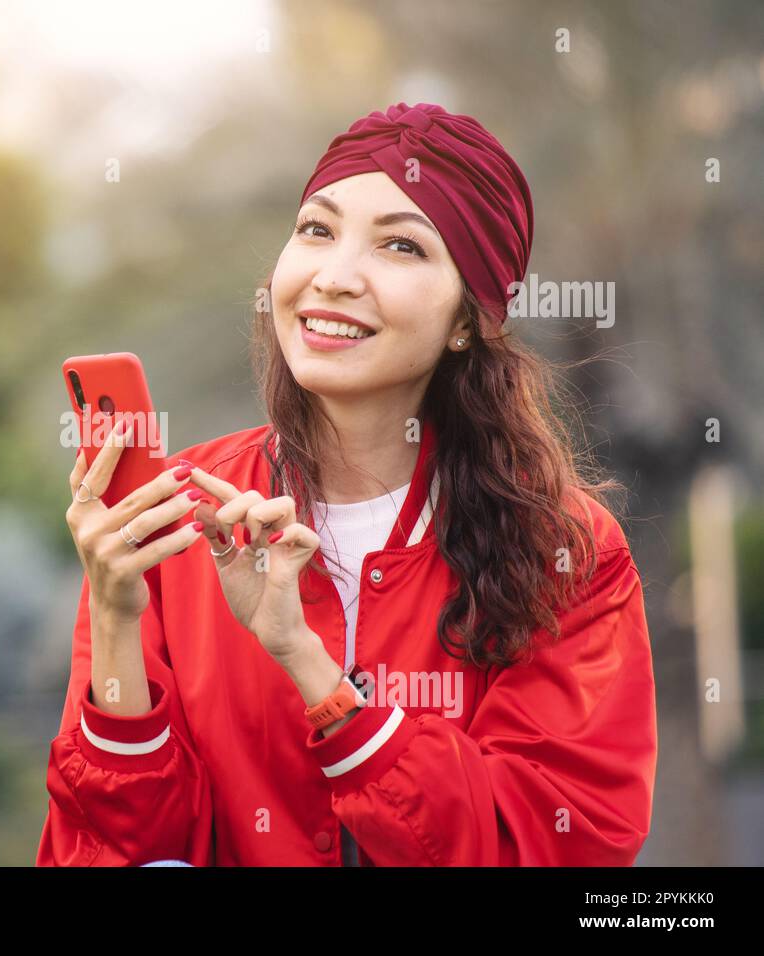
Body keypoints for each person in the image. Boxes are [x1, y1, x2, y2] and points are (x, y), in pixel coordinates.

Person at [36, 103, 658, 867]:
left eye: (400, 246)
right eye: (316, 231)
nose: (334, 278)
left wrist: (309, 666)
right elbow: (118, 850)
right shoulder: (178, 516)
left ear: (468, 320)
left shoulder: (567, 547)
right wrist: (114, 616)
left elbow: (555, 842)